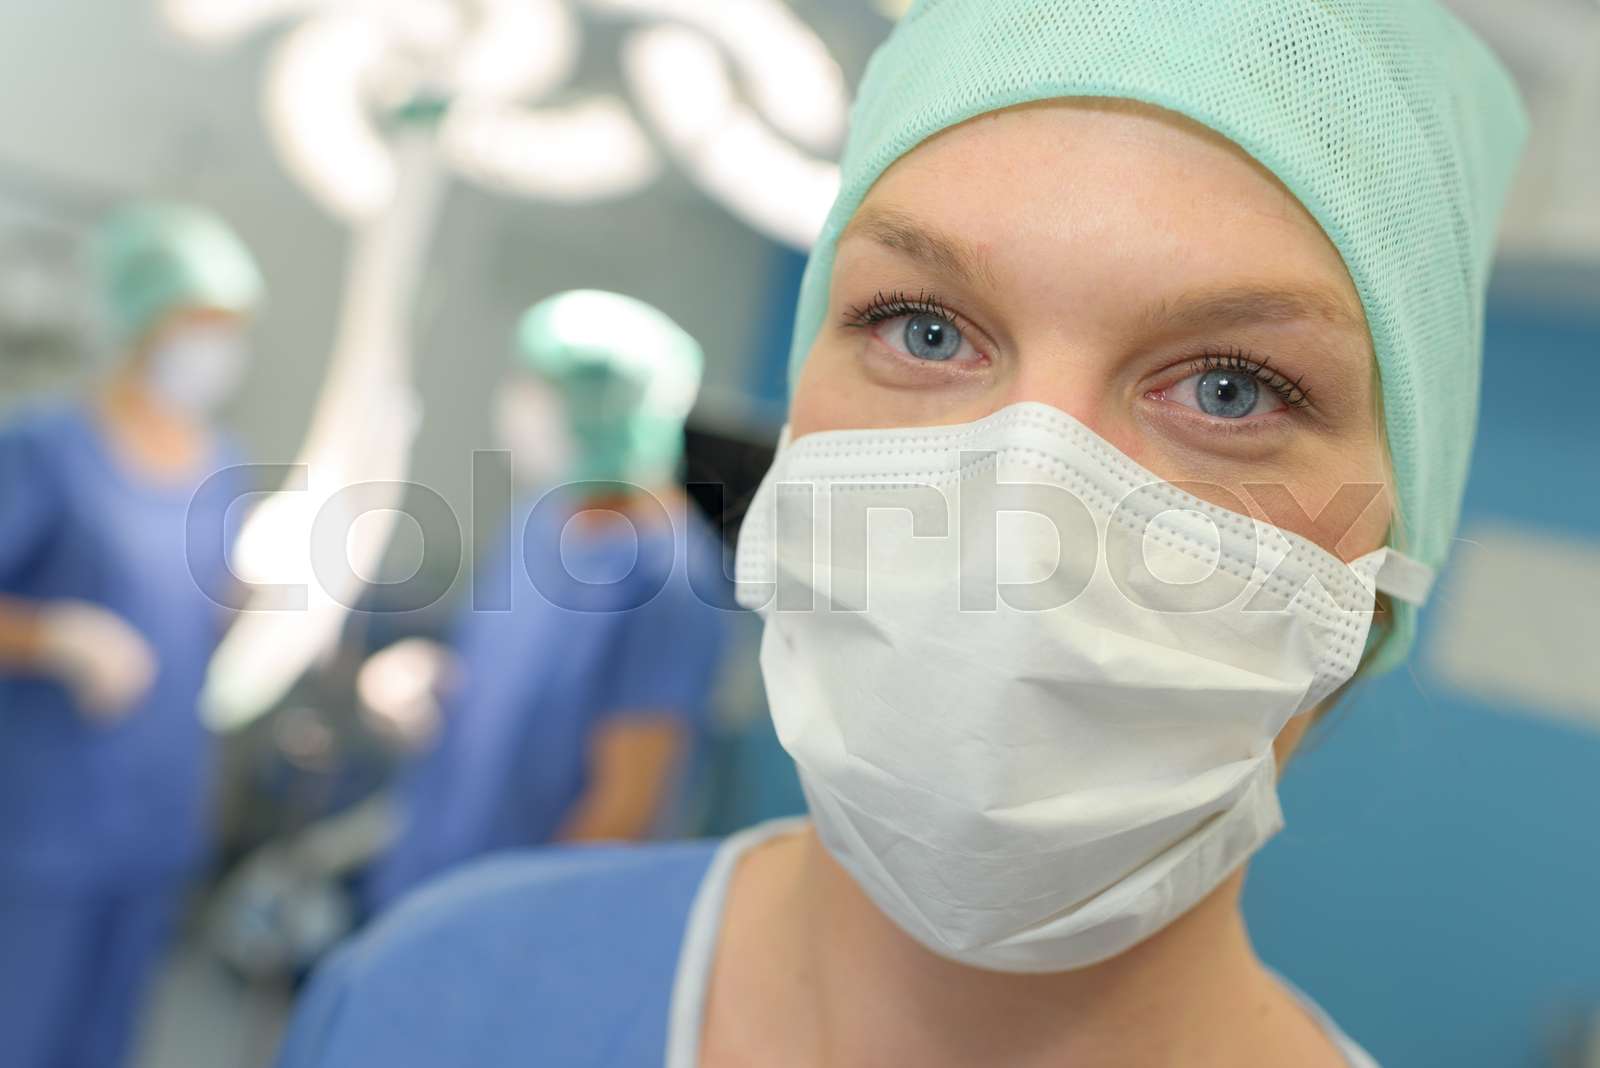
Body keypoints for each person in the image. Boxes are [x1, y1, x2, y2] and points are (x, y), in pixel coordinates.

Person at [275, 2, 1527, 1065]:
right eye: (925, 328)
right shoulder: (431, 1004)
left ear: (1379, 575)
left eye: (1230, 388)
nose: (1018, 526)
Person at [357, 289, 730, 916]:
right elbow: (500, 674)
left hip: (513, 915)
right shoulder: (542, 516)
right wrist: (430, 680)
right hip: (429, 872)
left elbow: (626, 804)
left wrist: (519, 927)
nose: (522, 405)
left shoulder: (669, 579)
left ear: (606, 409)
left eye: (544, 390)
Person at [0, 201, 261, 1067]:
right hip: (40, 824)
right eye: (202, 324)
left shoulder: (222, 464)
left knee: (103, 1043)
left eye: (232, 329)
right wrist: (51, 636)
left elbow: (206, 618)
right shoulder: (45, 446)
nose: (217, 349)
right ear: (141, 320)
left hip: (154, 817)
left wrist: (257, 602)